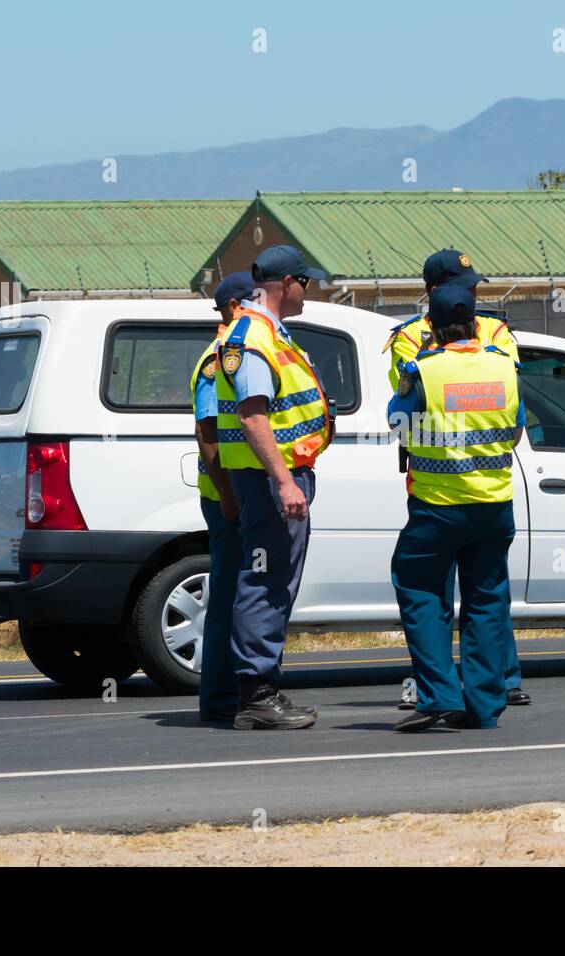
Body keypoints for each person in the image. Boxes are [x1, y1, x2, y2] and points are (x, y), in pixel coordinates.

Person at [384, 248, 531, 710]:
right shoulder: (411, 338)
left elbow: (403, 414)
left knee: (434, 589)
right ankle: (477, 695)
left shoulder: (492, 333)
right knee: (478, 593)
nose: (473, 293)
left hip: (443, 489)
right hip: (479, 487)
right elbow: (511, 408)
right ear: (434, 292)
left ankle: (466, 688)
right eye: (466, 288)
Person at [215, 245, 331, 730]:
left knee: (270, 578)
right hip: (269, 481)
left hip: (276, 478)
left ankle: (259, 690)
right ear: (287, 285)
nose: (310, 290)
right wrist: (283, 481)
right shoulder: (253, 338)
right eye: (307, 281)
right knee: (264, 581)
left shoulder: (269, 333)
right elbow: (253, 415)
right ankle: (257, 693)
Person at [191, 272, 255, 722]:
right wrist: (230, 496)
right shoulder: (219, 360)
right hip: (226, 496)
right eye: (253, 300)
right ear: (235, 305)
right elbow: (208, 433)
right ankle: (218, 700)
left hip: (235, 493)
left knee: (239, 597)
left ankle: (232, 695)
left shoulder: (240, 350)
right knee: (229, 599)